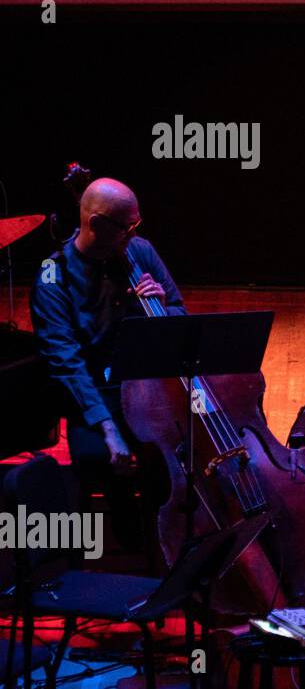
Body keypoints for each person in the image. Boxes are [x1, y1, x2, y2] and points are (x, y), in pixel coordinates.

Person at [29, 177, 183, 550]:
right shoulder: (53, 277)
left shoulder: (141, 251)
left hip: (146, 388)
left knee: (176, 452)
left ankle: (172, 536)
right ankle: (132, 542)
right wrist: (110, 429)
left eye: (136, 224)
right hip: (94, 397)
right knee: (103, 459)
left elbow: (181, 314)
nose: (134, 233)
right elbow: (66, 363)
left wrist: (161, 308)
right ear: (97, 225)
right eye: (127, 226)